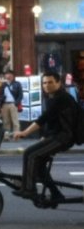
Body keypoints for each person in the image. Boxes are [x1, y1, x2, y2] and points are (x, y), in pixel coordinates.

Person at [13, 71, 77, 201]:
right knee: (40, 166)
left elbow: (43, 119)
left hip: (63, 137)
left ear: (59, 83)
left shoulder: (61, 98)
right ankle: (56, 194)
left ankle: (29, 189)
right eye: (44, 83)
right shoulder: (52, 98)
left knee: (30, 154)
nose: (46, 85)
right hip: (57, 135)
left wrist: (24, 133)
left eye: (50, 82)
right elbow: (52, 122)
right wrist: (45, 137)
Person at [0, 70, 23, 140]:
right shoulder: (3, 84)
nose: (8, 76)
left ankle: (16, 136)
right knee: (6, 122)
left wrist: (16, 103)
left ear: (13, 76)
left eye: (10, 75)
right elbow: (1, 94)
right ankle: (6, 137)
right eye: (7, 74)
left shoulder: (17, 84)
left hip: (13, 104)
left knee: (15, 121)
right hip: (5, 104)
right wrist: (1, 102)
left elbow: (20, 95)